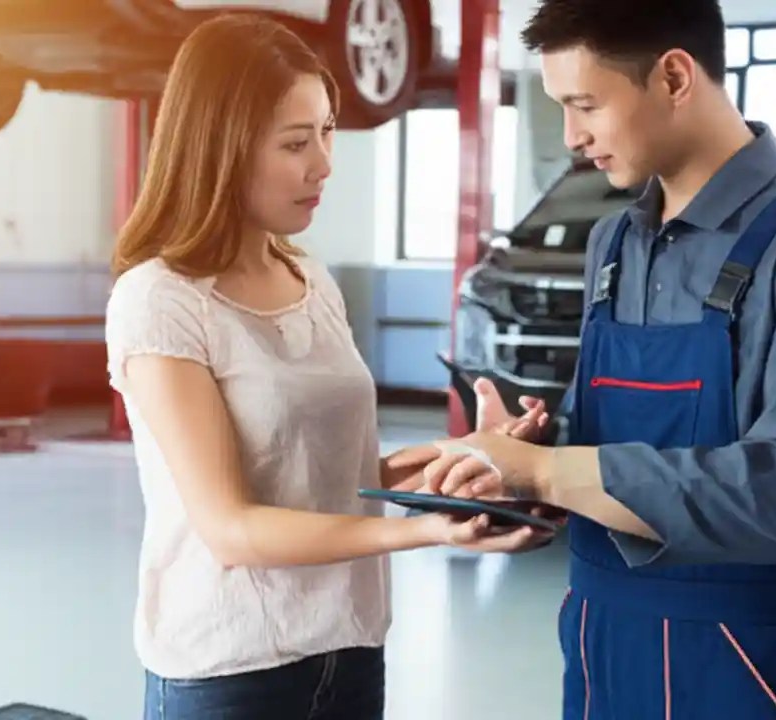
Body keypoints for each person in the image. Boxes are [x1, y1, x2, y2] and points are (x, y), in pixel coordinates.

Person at [422, 1, 776, 719]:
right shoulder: (613, 244)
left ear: (675, 76)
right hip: (600, 637)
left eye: (585, 104)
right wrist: (523, 464)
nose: (572, 137)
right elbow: (609, 448)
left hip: (741, 660)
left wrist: (554, 471)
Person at [104, 14, 551, 720]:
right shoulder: (160, 301)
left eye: (325, 131)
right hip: (230, 671)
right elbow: (233, 528)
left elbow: (337, 478)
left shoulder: (309, 279)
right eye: (294, 142)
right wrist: (424, 531)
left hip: (348, 650)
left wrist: (473, 454)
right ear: (221, 150)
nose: (323, 163)